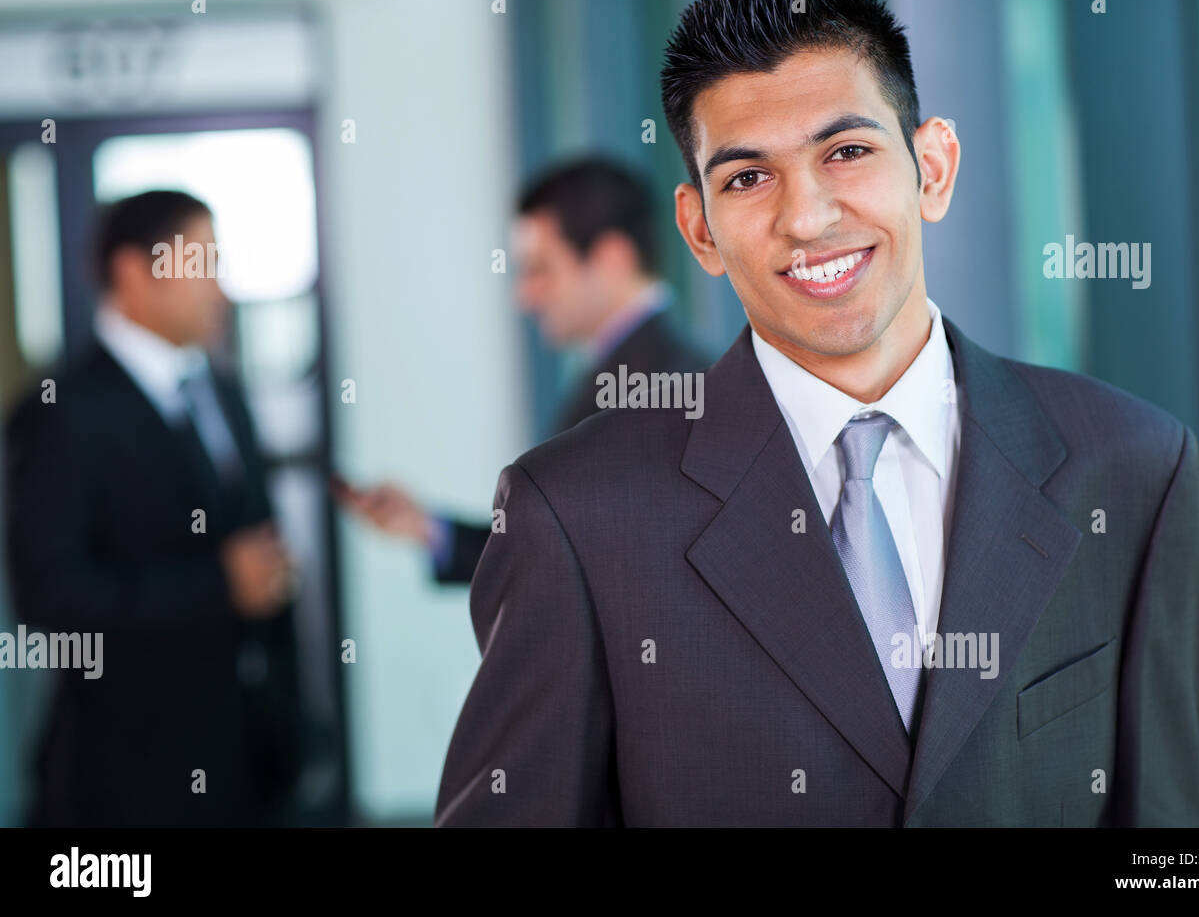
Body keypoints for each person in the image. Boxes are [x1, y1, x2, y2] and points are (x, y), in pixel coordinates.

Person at [433, 0, 1199, 826]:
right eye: (748, 178)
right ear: (700, 230)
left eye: (846, 152)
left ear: (934, 168)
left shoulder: (1135, 467)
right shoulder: (577, 516)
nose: (806, 218)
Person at [5, 190, 302, 826]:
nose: (219, 289)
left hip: (244, 761)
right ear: (134, 274)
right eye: (202, 264)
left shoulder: (220, 387)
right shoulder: (62, 413)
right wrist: (217, 585)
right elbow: (49, 595)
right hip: (126, 782)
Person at [336, 157, 708, 584]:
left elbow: (588, 571)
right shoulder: (645, 370)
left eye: (540, 270)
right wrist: (428, 529)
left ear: (611, 258)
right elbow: (564, 548)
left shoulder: (666, 387)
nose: (525, 296)